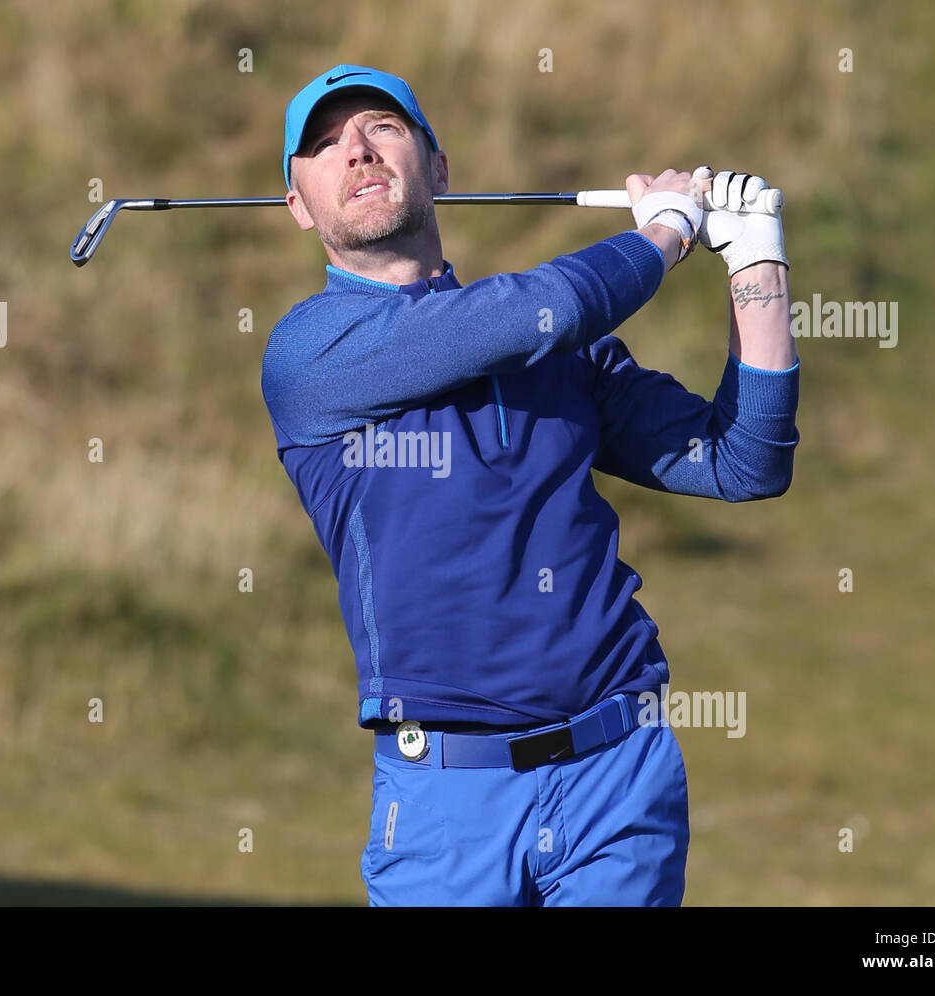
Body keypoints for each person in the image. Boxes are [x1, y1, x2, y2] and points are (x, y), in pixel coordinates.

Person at [261, 64, 799, 906]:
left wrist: (756, 262)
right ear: (299, 206)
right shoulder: (309, 354)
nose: (356, 151)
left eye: (381, 127)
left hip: (617, 781)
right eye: (324, 147)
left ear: (439, 169)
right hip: (446, 805)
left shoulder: (554, 352)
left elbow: (743, 461)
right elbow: (527, 312)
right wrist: (663, 235)